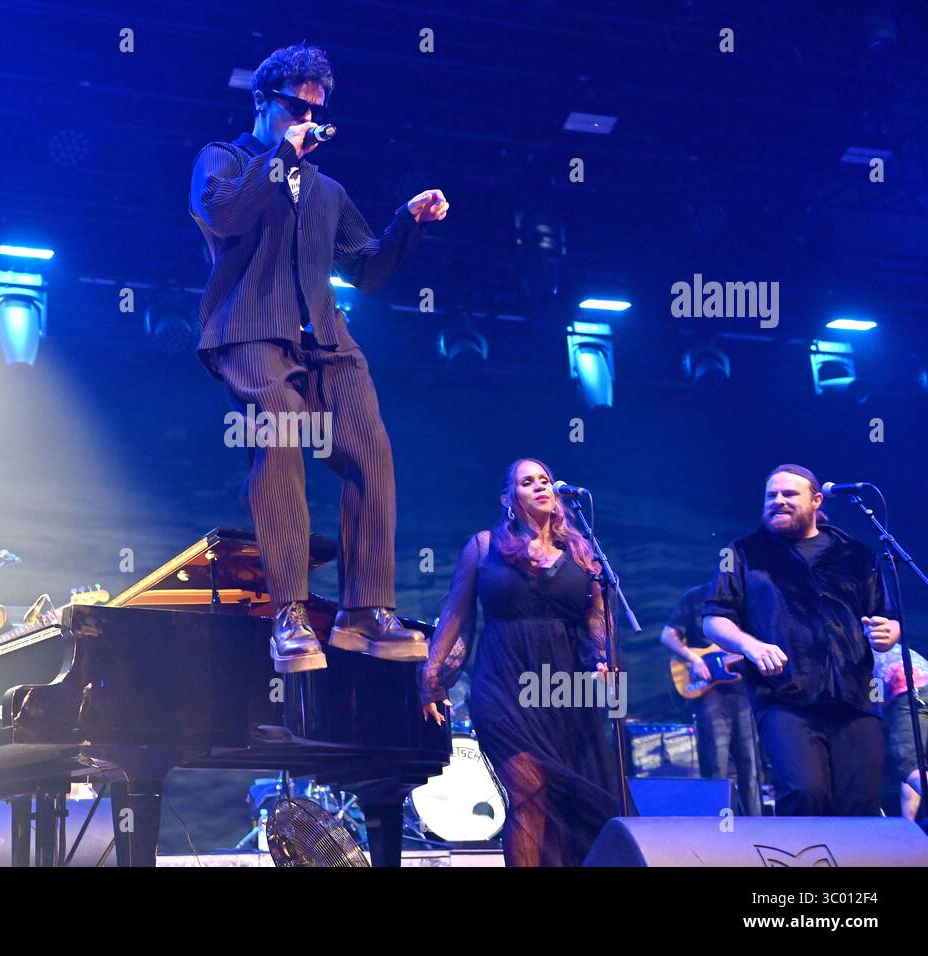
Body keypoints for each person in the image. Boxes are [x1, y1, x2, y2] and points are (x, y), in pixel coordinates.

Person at [189, 42, 449, 673]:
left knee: (371, 454)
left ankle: (365, 614)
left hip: (328, 343)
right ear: (261, 101)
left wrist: (406, 222)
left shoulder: (327, 190)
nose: (308, 122)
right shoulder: (223, 159)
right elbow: (223, 215)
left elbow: (365, 269)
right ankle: (290, 618)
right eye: (294, 108)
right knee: (279, 444)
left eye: (318, 112)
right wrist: (280, 155)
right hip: (252, 335)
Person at [421, 458, 622, 866]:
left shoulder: (582, 553)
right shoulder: (484, 547)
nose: (539, 486)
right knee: (527, 796)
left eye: (544, 480)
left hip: (566, 693)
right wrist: (431, 676)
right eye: (527, 482)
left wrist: (603, 659)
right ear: (509, 499)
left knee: (567, 803)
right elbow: (456, 617)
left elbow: (597, 620)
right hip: (503, 688)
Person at [703, 464, 900, 816]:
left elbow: (888, 618)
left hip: (856, 699)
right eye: (771, 496)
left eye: (789, 494)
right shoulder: (744, 553)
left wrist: (888, 633)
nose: (778, 501)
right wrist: (751, 645)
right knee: (806, 792)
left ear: (816, 500)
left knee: (861, 803)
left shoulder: (856, 554)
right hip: (784, 698)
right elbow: (715, 619)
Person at [661, 582, 761, 814]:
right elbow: (668, 635)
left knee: (750, 766)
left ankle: (757, 828)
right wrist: (695, 660)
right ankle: (716, 829)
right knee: (715, 763)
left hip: (743, 692)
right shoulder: (695, 597)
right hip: (709, 695)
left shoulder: (749, 599)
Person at [873, 644, 928, 820]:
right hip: (920, 686)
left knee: (908, 763)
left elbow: (875, 700)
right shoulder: (888, 643)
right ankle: (909, 823)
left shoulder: (862, 651)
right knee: (916, 766)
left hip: (909, 691)